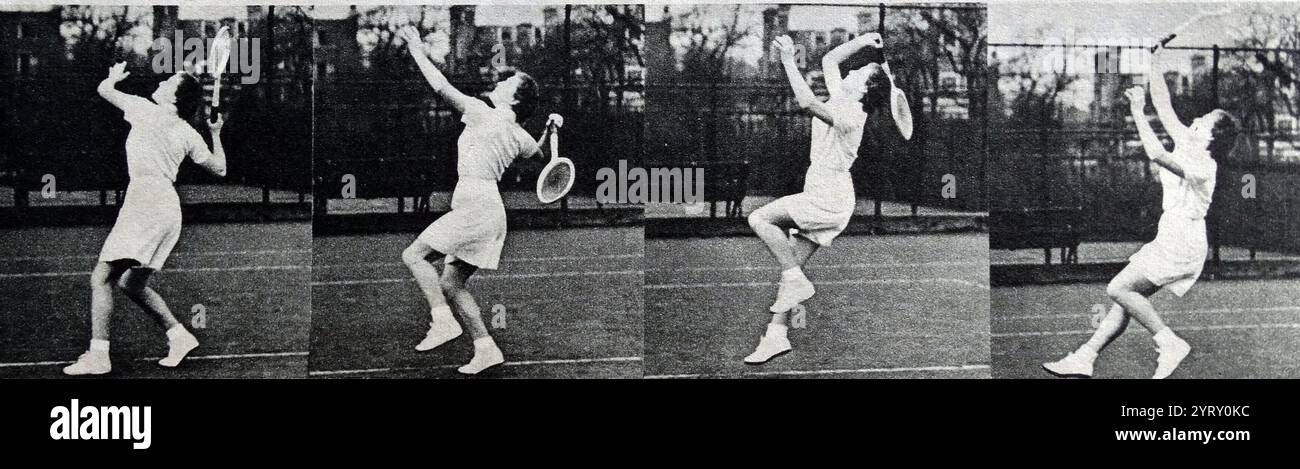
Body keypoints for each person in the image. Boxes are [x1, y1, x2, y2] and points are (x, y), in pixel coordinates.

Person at [1043, 50, 1239, 379]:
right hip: (1173, 235)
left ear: (1212, 135)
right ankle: (1085, 357)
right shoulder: (1188, 141)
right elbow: (1163, 102)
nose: (1198, 118)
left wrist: (1137, 110)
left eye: (1206, 119)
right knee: (1125, 300)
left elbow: (1155, 153)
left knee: (1119, 289)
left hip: (1183, 241)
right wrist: (1154, 59)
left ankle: (1169, 342)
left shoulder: (1204, 164)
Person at [396, 26, 560, 375]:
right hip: (488, 210)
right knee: (451, 284)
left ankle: (442, 321)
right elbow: (541, 153)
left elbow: (440, 85)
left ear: (514, 99)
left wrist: (416, 50)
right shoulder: (518, 133)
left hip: (477, 206)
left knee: (414, 256)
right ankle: (486, 348)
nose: (499, 84)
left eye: (507, 84)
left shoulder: (484, 114)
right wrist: (550, 127)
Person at [64, 62, 228, 376]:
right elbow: (220, 168)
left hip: (146, 203)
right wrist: (216, 133)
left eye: (169, 81)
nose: (162, 81)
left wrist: (112, 77)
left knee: (101, 278)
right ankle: (179, 335)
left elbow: (104, 91)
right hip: (167, 209)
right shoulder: (186, 132)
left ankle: (98, 356)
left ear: (173, 98)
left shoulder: (143, 109)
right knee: (131, 283)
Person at [743, 33, 894, 364]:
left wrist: (787, 60)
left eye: (862, 71)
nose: (853, 71)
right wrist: (864, 40)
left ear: (867, 87)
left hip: (830, 197)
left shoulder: (853, 116)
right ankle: (776, 336)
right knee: (791, 266)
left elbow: (807, 103)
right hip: (823, 192)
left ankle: (796, 281)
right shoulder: (842, 96)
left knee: (759, 219)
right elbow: (830, 60)